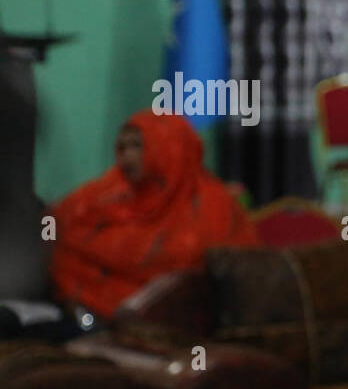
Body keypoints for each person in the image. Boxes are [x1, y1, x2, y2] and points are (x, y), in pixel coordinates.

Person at [48, 109, 259, 321]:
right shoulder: (109, 193)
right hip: (91, 320)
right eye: (121, 147)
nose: (126, 156)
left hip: (191, 328)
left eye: (138, 146)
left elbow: (201, 268)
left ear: (170, 147)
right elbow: (59, 225)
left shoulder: (213, 204)